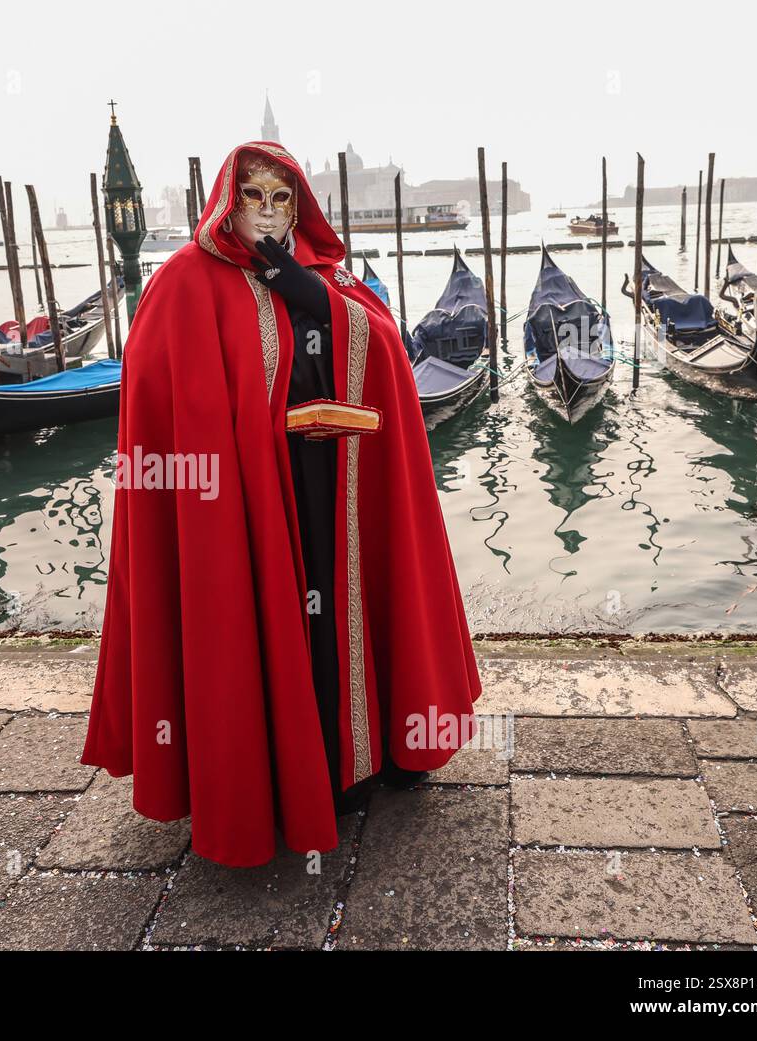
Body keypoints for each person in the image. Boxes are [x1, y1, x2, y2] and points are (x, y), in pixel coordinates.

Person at [82, 140, 481, 867]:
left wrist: (312, 295)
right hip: (244, 512)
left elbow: (385, 353)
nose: (266, 213)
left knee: (339, 633)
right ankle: (268, 781)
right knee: (258, 632)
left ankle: (357, 761)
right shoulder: (183, 283)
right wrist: (239, 440)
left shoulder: (325, 275)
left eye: (281, 199)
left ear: (299, 207)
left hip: (338, 493)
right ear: (227, 203)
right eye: (254, 196)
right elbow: (160, 395)